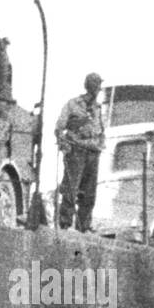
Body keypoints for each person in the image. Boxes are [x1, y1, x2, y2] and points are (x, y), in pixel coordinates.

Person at [56, 73, 106, 232]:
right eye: (96, 85)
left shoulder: (98, 108)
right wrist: (64, 145)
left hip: (92, 152)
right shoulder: (72, 104)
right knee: (71, 189)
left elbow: (101, 131)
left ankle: (83, 227)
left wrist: (100, 144)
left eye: (99, 86)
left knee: (89, 194)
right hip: (76, 150)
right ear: (90, 86)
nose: (98, 89)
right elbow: (59, 128)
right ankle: (64, 223)